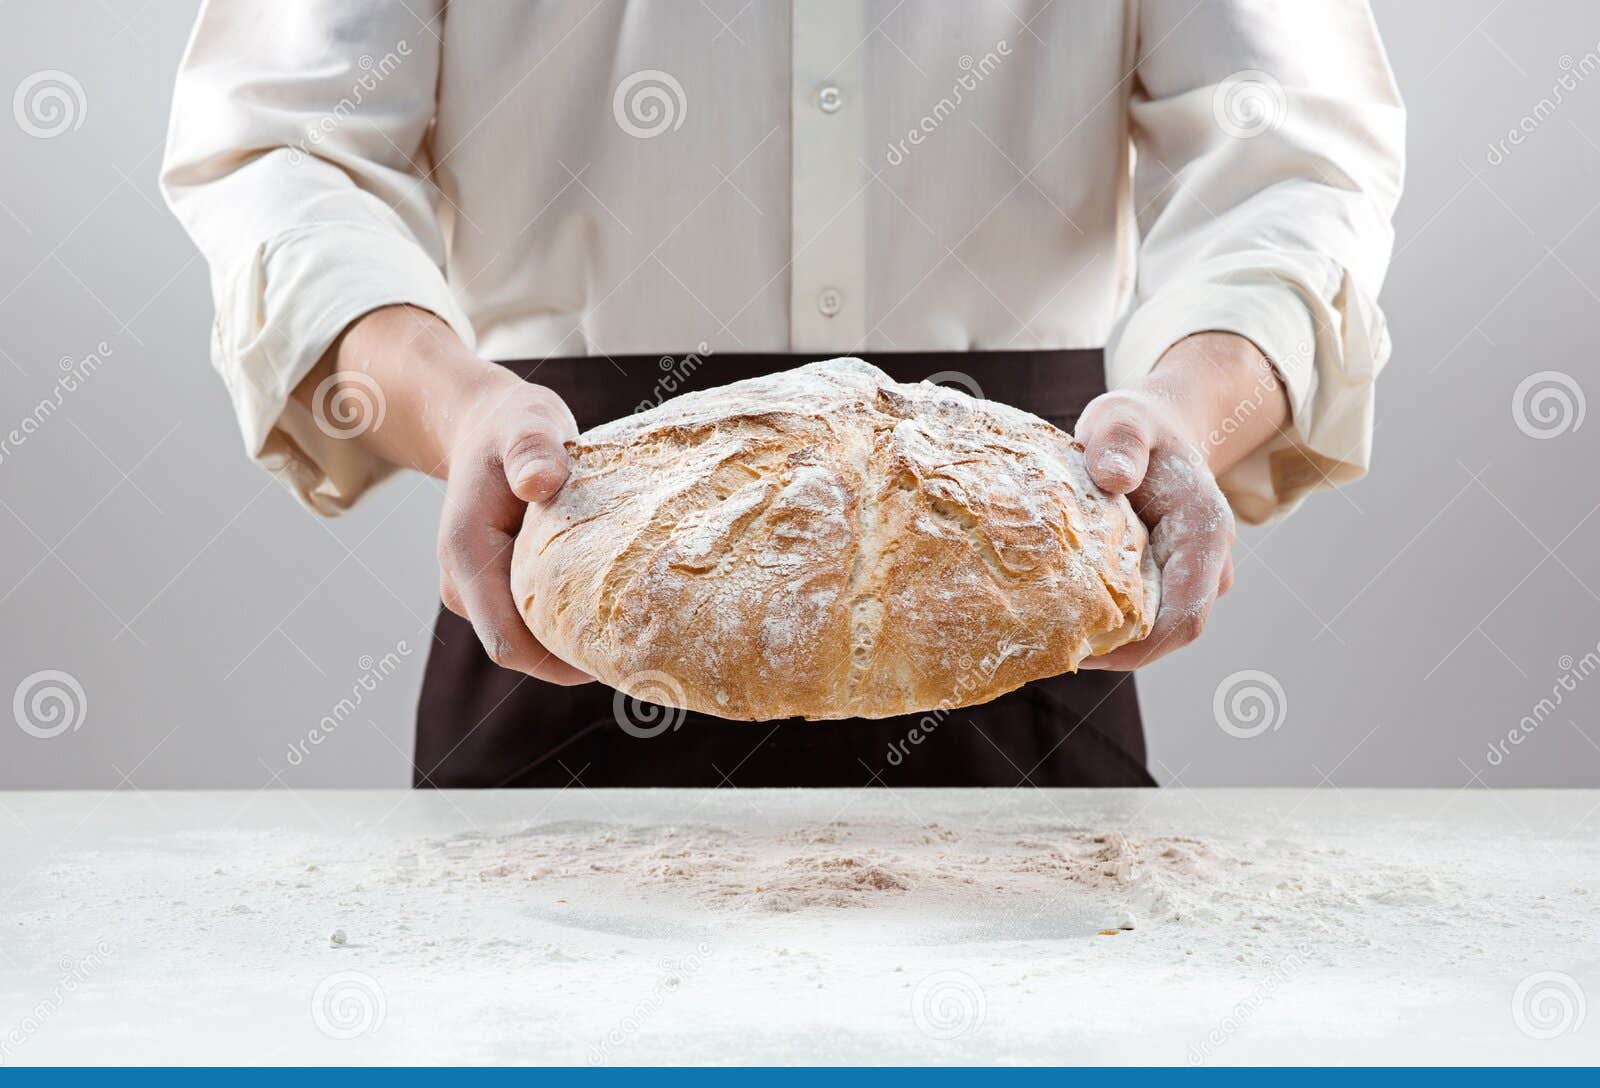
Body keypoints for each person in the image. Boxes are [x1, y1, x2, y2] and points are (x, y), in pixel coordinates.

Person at [160, 2, 1404, 789]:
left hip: (1020, 546)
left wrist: (1191, 406)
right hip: (585, 532)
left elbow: (1287, 157)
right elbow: (284, 146)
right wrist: (456, 404)